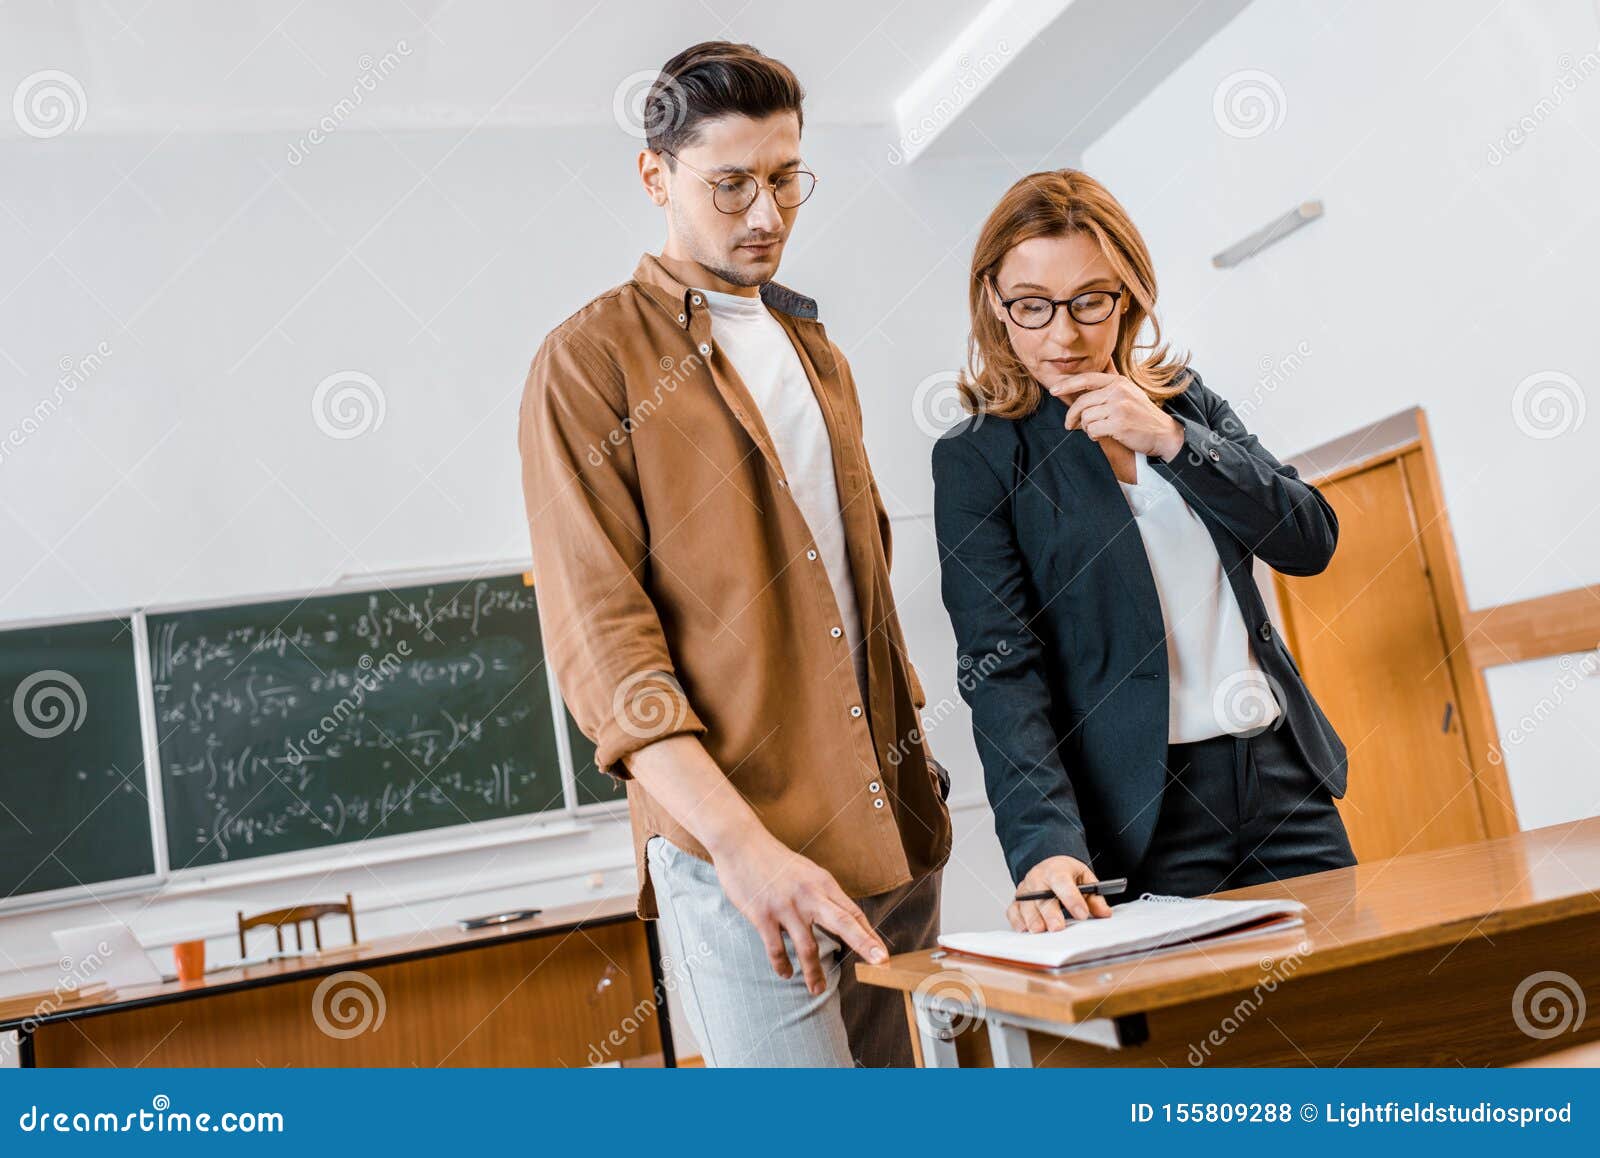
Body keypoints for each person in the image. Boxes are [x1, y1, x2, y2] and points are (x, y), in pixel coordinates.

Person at [517, 41, 950, 1066]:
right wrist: (745, 850)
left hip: (893, 835)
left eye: (786, 180)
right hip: (737, 857)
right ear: (654, 176)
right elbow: (605, 649)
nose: (765, 216)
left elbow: (859, 580)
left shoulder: (817, 352)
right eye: (731, 185)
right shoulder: (587, 362)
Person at [932, 169, 1355, 935]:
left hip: (1283, 782)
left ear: (1128, 295)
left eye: (1091, 300)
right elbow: (1000, 671)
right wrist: (1043, 845)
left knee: (1356, 1020)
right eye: (1032, 306)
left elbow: (1308, 539)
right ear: (994, 302)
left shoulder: (1188, 405)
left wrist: (1170, 440)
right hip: (1141, 814)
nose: (1063, 335)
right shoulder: (980, 458)